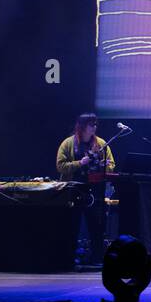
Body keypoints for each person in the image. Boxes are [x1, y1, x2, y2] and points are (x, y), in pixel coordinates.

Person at [56, 113, 115, 266]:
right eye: (91, 124)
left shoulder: (101, 143)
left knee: (96, 225)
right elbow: (60, 166)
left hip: (95, 190)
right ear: (82, 126)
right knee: (71, 225)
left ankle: (97, 258)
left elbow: (112, 165)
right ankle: (67, 258)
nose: (94, 127)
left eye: (95, 124)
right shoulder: (68, 143)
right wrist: (79, 163)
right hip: (73, 189)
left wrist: (105, 165)